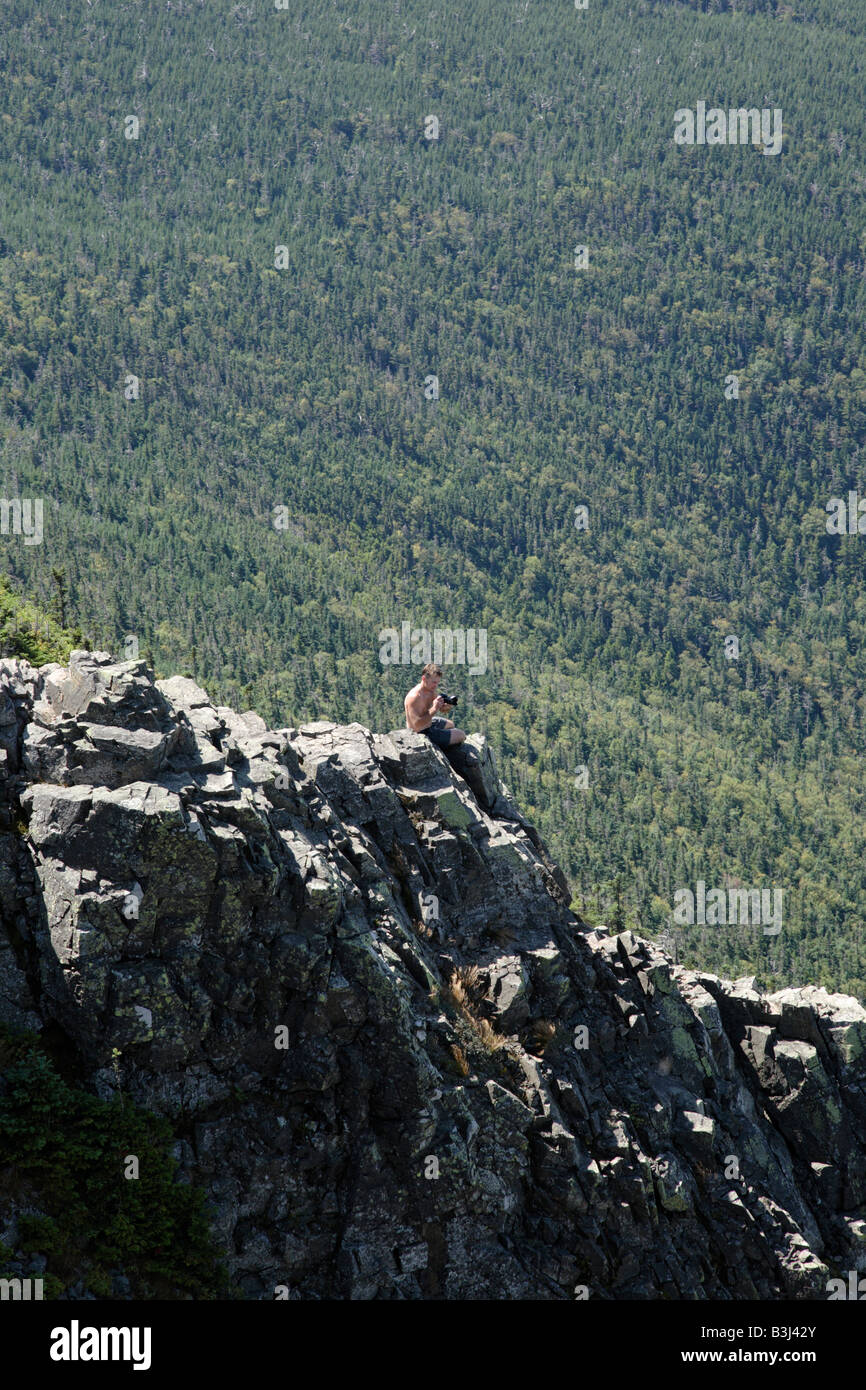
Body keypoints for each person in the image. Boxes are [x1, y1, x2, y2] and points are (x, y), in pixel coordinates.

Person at [404, 662, 466, 749]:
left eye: (437, 682)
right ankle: (442, 746)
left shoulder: (430, 690)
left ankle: (444, 740)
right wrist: (434, 708)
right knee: (461, 735)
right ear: (424, 678)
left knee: (451, 724)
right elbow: (416, 725)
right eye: (434, 682)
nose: (436, 685)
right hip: (420, 733)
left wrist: (445, 707)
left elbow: (442, 710)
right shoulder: (414, 697)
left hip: (428, 724)